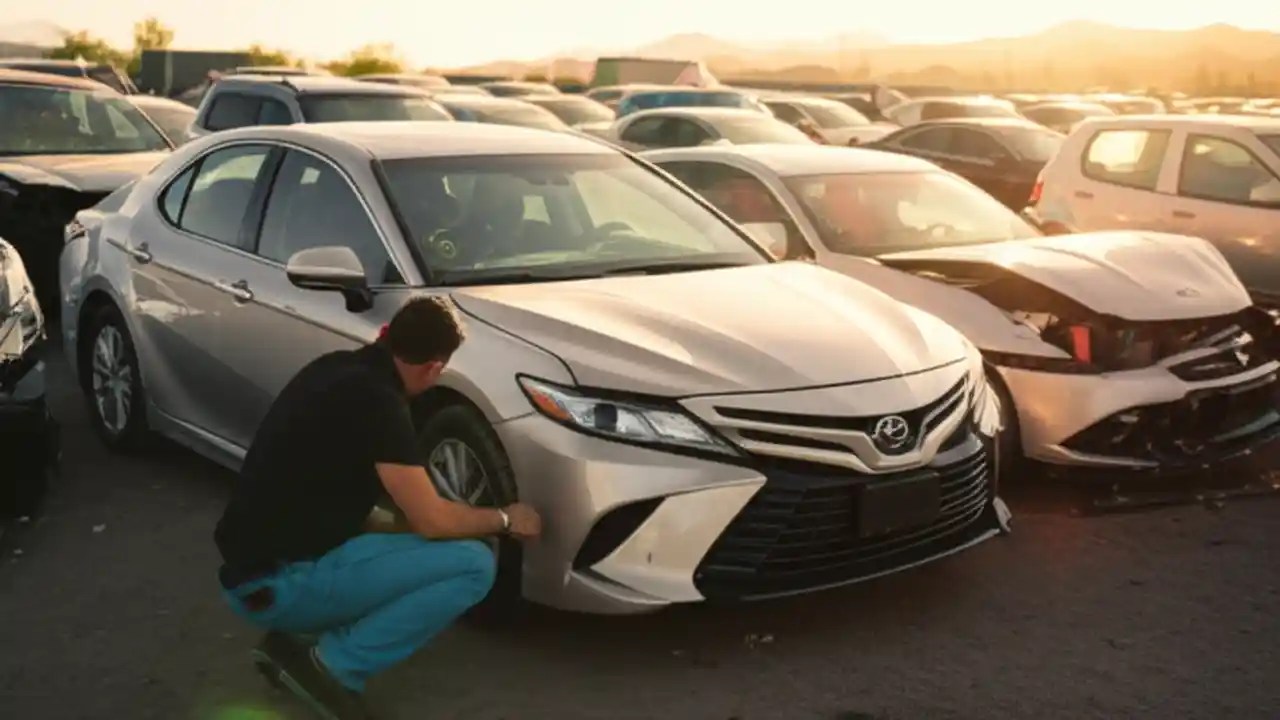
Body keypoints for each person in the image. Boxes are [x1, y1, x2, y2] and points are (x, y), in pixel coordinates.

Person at [214, 296, 541, 720]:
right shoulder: (381, 404)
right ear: (434, 368)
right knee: (473, 564)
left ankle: (292, 645)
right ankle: (331, 666)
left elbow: (363, 510)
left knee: (407, 538)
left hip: (249, 576)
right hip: (282, 584)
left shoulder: (334, 368)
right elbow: (433, 520)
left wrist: (413, 530)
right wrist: (504, 518)